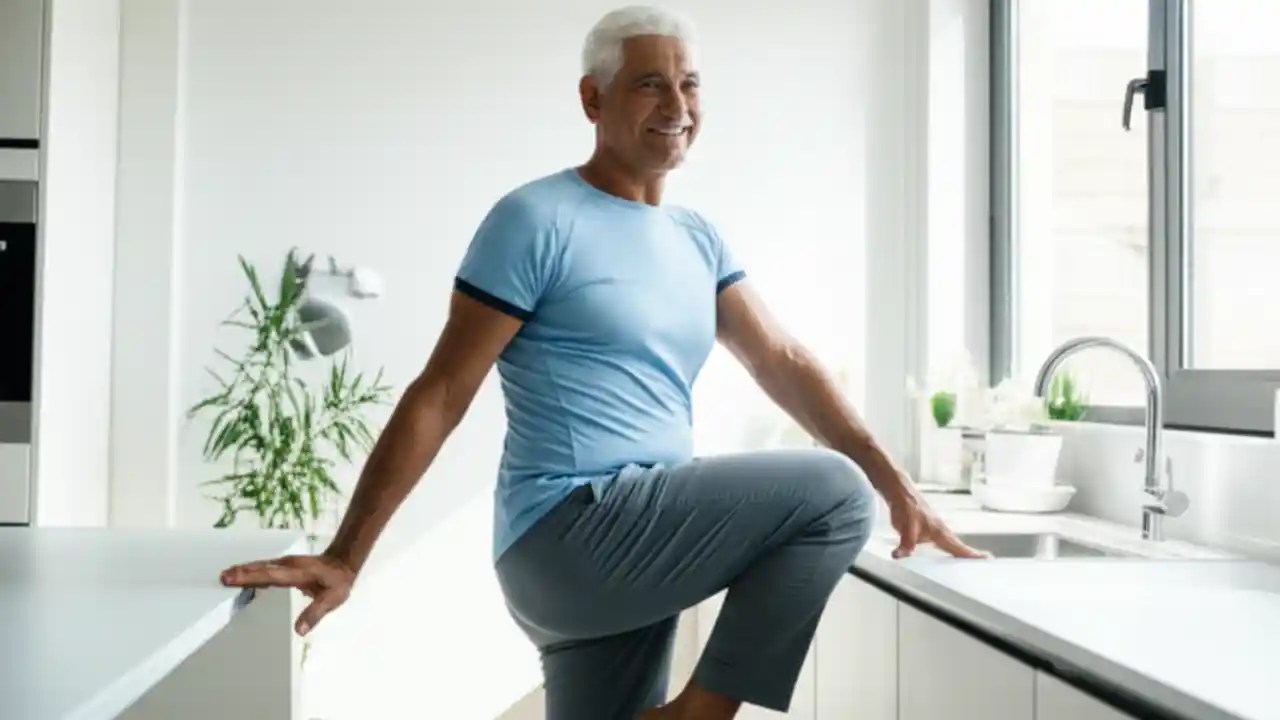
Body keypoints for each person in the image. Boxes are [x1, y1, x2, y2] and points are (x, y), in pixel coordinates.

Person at [219, 5, 985, 719]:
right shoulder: (535, 219)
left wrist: (903, 487)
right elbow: (443, 392)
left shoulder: (697, 238)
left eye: (688, 85)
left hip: (637, 542)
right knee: (834, 494)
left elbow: (779, 360)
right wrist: (348, 556)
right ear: (594, 100)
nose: (677, 107)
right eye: (650, 85)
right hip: (574, 532)